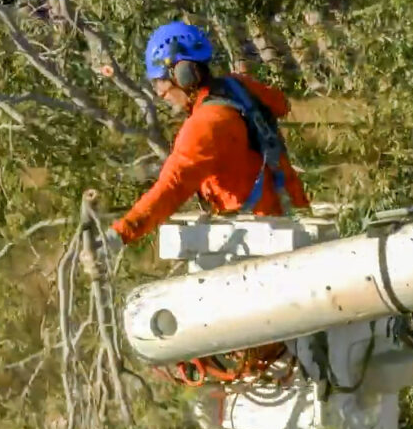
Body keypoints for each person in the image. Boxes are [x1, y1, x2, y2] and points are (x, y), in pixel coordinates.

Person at [100, 20, 310, 258]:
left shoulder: (207, 123)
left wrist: (121, 233)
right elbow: (280, 103)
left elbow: (173, 185)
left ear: (183, 75)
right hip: (292, 217)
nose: (160, 93)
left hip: (262, 240)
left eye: (160, 81)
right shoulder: (237, 86)